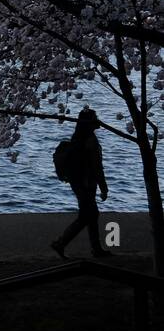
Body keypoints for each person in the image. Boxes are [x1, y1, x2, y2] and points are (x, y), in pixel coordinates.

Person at [52, 108, 112, 258]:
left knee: (91, 214)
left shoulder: (78, 137)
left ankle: (96, 248)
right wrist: (103, 186)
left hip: (78, 181)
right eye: (95, 117)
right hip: (86, 183)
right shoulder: (90, 141)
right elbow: (97, 166)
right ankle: (61, 243)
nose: (98, 119)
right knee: (88, 215)